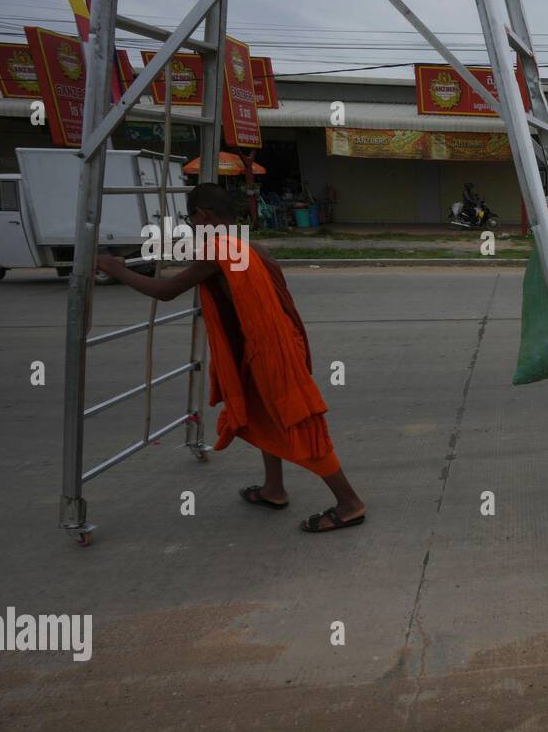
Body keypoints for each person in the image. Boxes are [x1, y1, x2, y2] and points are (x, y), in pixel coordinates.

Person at [95, 182, 367, 534]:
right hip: (273, 346)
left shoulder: (220, 250)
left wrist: (113, 269)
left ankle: (349, 503)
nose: (192, 227)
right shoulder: (250, 246)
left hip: (271, 353)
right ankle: (274, 488)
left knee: (298, 423)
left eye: (192, 220)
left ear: (204, 215)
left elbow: (166, 291)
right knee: (261, 413)